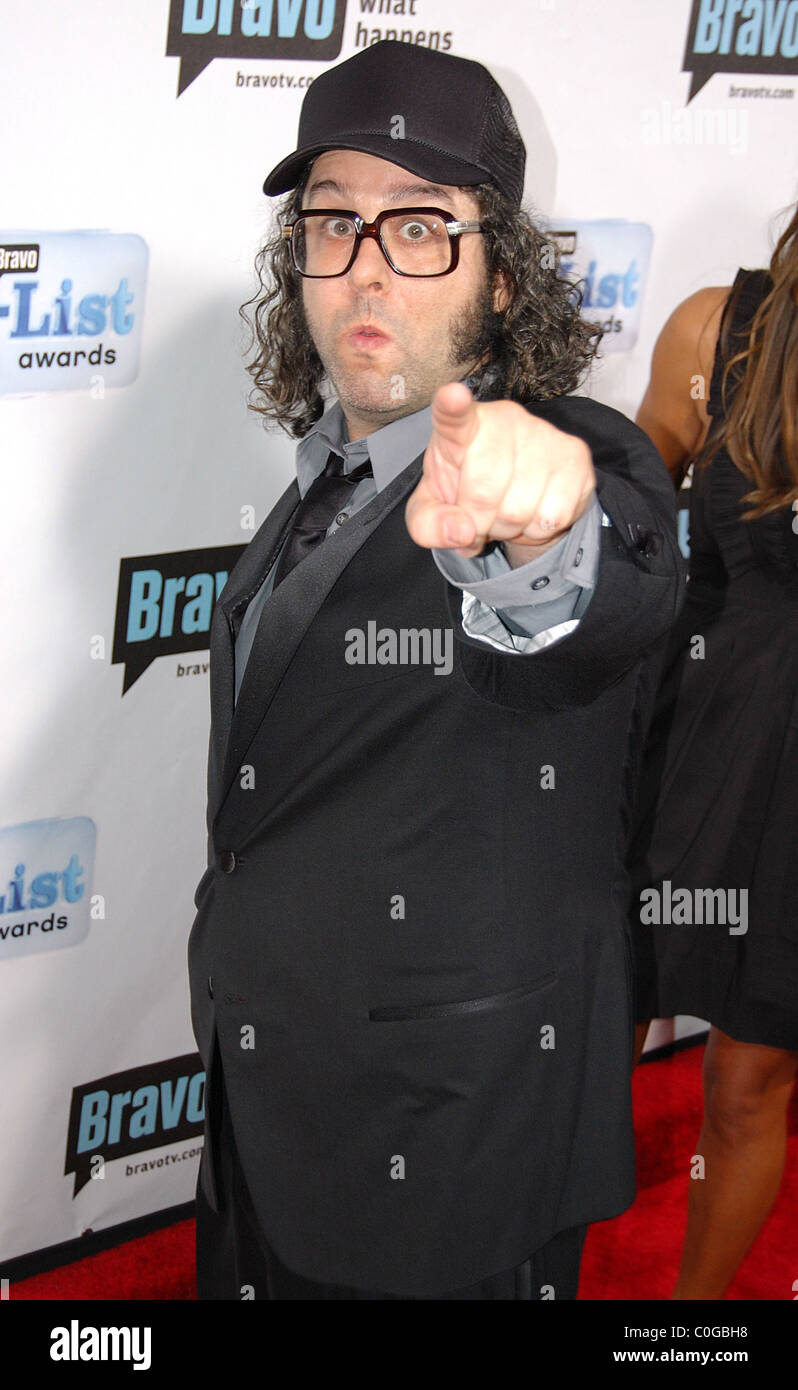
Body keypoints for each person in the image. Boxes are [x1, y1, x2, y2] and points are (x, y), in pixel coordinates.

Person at [187, 40, 684, 1300]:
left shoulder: (568, 456)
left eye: (419, 227)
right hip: (271, 1119)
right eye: (333, 222)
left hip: (449, 1157)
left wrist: (544, 528)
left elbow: (598, 586)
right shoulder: (323, 478)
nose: (366, 266)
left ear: (501, 278)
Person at [628, 200, 798, 1299]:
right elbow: (617, 526)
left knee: (747, 1085)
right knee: (593, 1036)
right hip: (688, 748)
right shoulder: (718, 334)